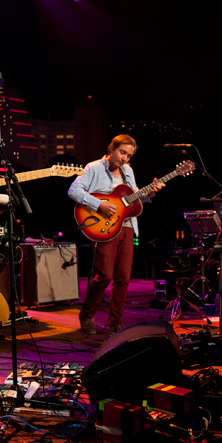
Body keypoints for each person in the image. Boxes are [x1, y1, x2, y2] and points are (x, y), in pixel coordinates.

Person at [68, 134, 164, 335]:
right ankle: (86, 314)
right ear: (111, 149)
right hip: (104, 228)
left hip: (127, 227)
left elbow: (134, 200)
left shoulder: (128, 171)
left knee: (123, 277)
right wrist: (99, 204)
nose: (125, 158)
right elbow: (74, 190)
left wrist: (151, 192)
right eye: (122, 152)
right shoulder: (94, 167)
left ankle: (115, 322)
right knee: (104, 275)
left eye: (129, 155)